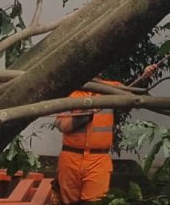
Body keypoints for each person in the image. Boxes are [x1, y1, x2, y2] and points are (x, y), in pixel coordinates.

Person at [55, 64, 158, 205]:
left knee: (95, 202)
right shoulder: (71, 92)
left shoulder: (110, 89)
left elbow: (132, 96)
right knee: (68, 202)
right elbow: (62, 125)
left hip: (98, 159)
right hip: (70, 157)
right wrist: (86, 114)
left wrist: (144, 78)